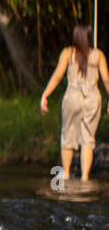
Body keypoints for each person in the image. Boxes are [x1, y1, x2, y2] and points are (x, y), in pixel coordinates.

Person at [40, 24, 107, 182]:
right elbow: (106, 80)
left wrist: (45, 95)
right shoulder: (98, 55)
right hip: (92, 98)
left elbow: (57, 76)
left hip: (72, 97)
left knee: (67, 137)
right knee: (87, 139)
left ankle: (66, 174)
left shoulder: (67, 53)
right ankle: (84, 177)